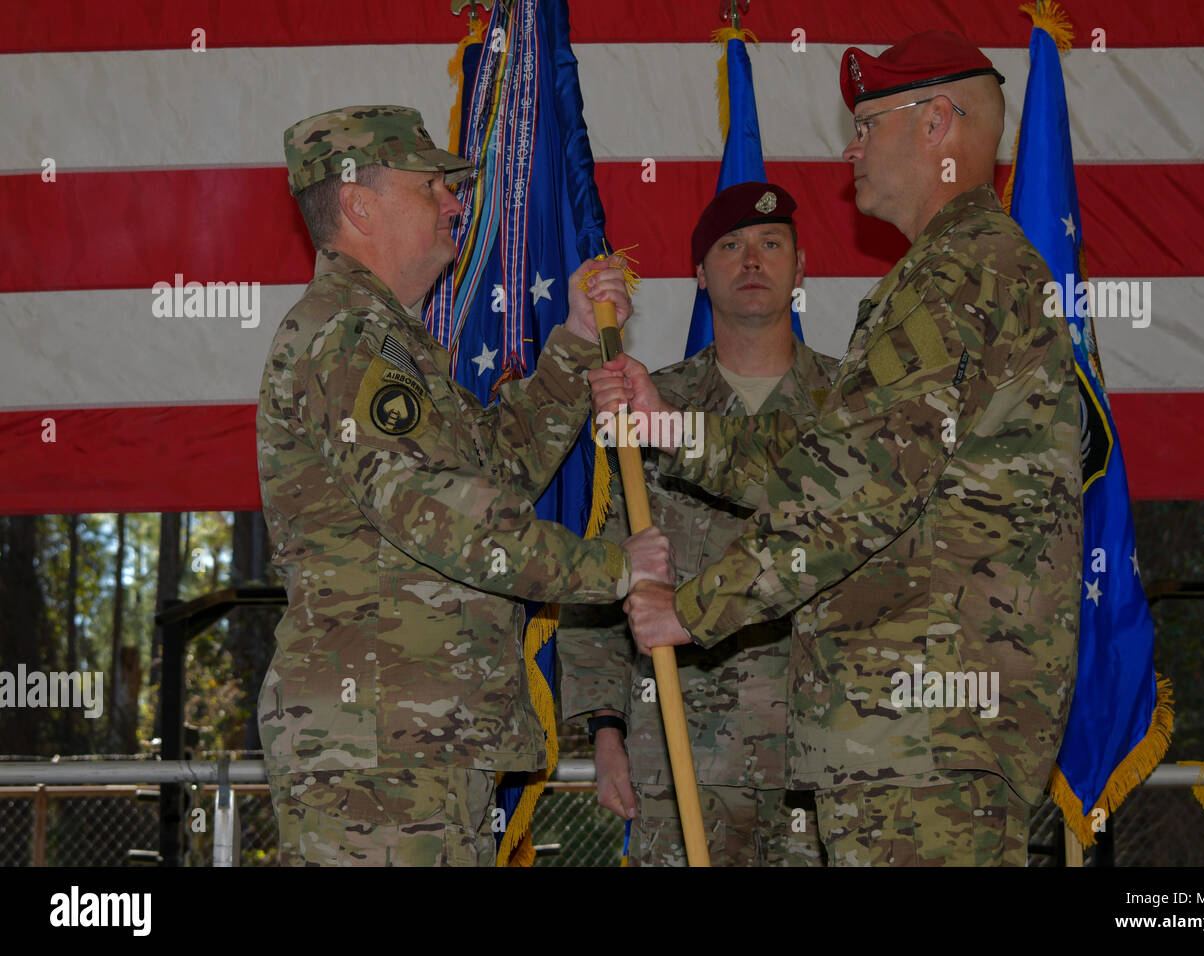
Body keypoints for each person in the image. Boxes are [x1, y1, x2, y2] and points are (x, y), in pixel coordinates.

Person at [595, 32, 1083, 866]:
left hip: (924, 734)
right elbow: (831, 451)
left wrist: (695, 608)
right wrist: (668, 423)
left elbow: (855, 492)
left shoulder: (961, 275)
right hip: (913, 735)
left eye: (868, 124)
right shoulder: (953, 270)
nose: (849, 148)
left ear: (936, 125)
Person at [257, 105, 671, 866]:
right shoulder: (346, 336)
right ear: (358, 203)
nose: (457, 203)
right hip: (380, 748)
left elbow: (493, 473)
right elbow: (436, 512)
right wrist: (615, 571)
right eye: (432, 188)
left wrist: (576, 345)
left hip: (418, 739)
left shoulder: (387, 339)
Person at [559, 182, 837, 866]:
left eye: (772, 246)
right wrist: (606, 730)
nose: (751, 262)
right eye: (730, 247)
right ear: (698, 276)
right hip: (683, 754)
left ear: (800, 271)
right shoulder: (649, 406)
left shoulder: (852, 407)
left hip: (826, 755)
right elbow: (604, 565)